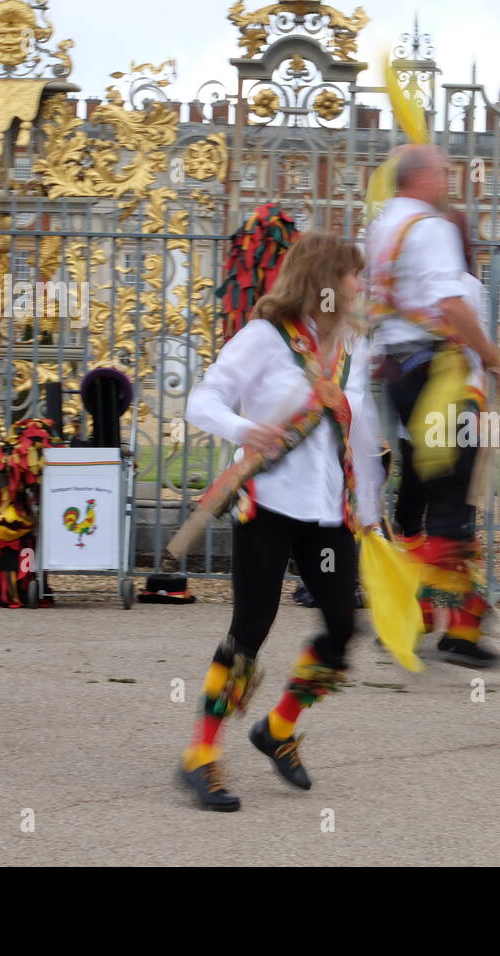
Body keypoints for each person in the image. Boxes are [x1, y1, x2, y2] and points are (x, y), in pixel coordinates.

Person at [177, 234, 386, 810]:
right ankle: (200, 754)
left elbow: (360, 435)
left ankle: (279, 728)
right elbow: (203, 400)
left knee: (343, 629)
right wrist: (246, 431)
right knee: (251, 630)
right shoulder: (263, 339)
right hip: (268, 506)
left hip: (327, 514)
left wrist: (370, 512)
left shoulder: (351, 348)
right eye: (352, 277)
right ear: (323, 279)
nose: (361, 287)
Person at [367, 145, 500, 668]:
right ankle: (407, 609)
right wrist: (497, 361)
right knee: (454, 514)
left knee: (442, 510)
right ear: (422, 177)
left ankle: (462, 624)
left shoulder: (383, 227)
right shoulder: (432, 231)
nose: (450, 179)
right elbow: (453, 309)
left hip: (402, 375)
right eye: (445, 172)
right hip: (443, 380)